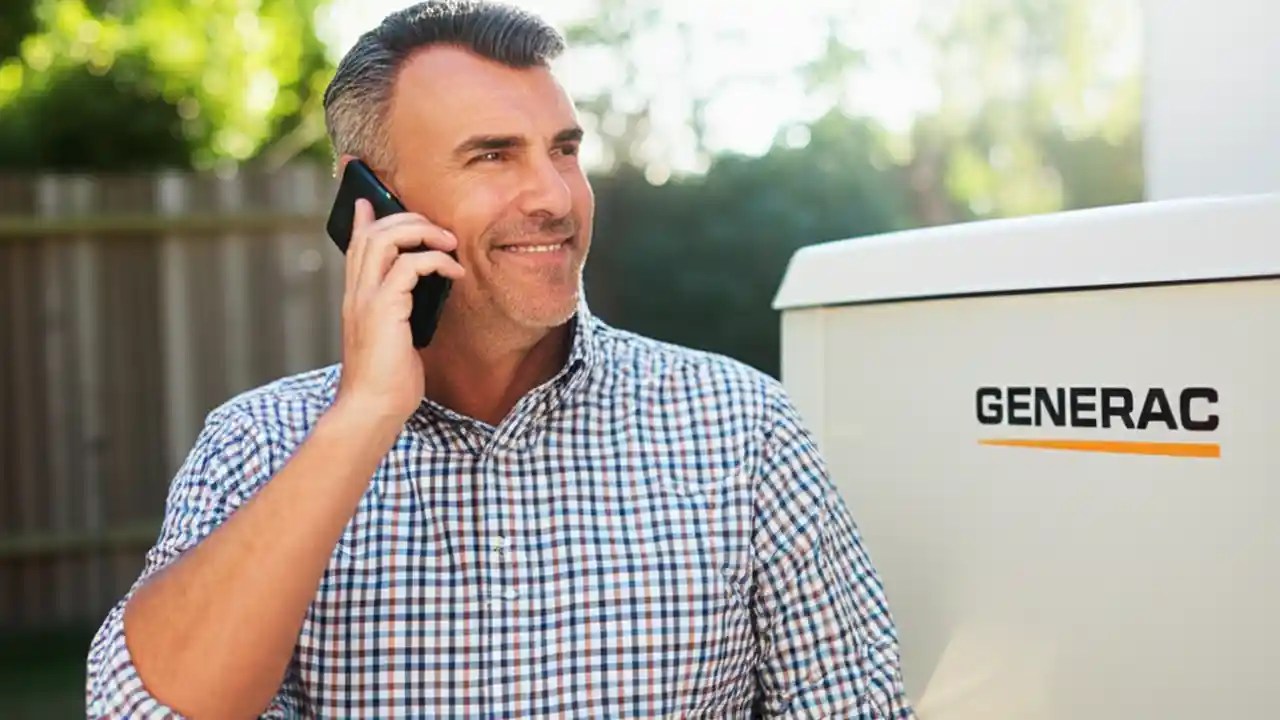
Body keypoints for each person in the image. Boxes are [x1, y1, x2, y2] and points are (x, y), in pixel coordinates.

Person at [85, 1, 914, 717]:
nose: (554, 196)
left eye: (563, 148)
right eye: (493, 155)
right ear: (370, 195)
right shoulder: (258, 445)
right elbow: (143, 710)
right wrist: (365, 418)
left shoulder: (743, 428)